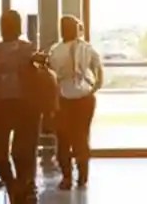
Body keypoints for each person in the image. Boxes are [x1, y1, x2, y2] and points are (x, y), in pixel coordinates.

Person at [0, 10, 41, 203]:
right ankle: (19, 185)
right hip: (15, 105)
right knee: (19, 150)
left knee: (9, 151)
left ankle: (19, 185)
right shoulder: (28, 50)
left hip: (10, 105)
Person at [46, 15, 104, 190]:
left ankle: (66, 178)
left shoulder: (55, 51)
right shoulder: (88, 48)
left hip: (63, 99)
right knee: (82, 137)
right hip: (85, 99)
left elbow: (51, 75)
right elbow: (99, 72)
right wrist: (93, 89)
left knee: (63, 139)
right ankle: (83, 176)